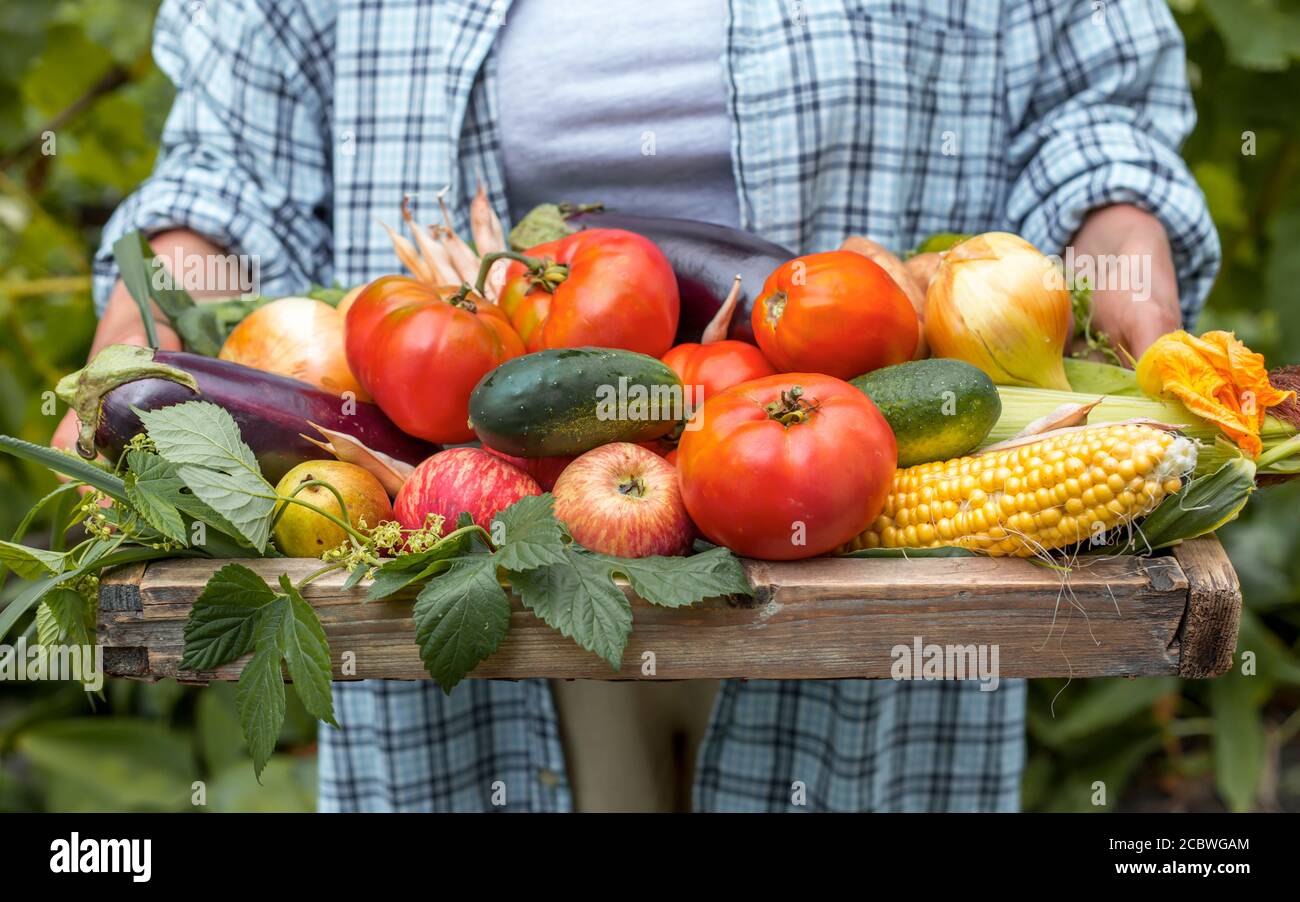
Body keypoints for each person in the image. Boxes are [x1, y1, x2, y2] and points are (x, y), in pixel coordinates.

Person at [55, 0, 1219, 812]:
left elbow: (1089, 95)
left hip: (865, 527)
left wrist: (1122, 258)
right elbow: (226, 162)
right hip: (462, 518)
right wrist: (139, 332)